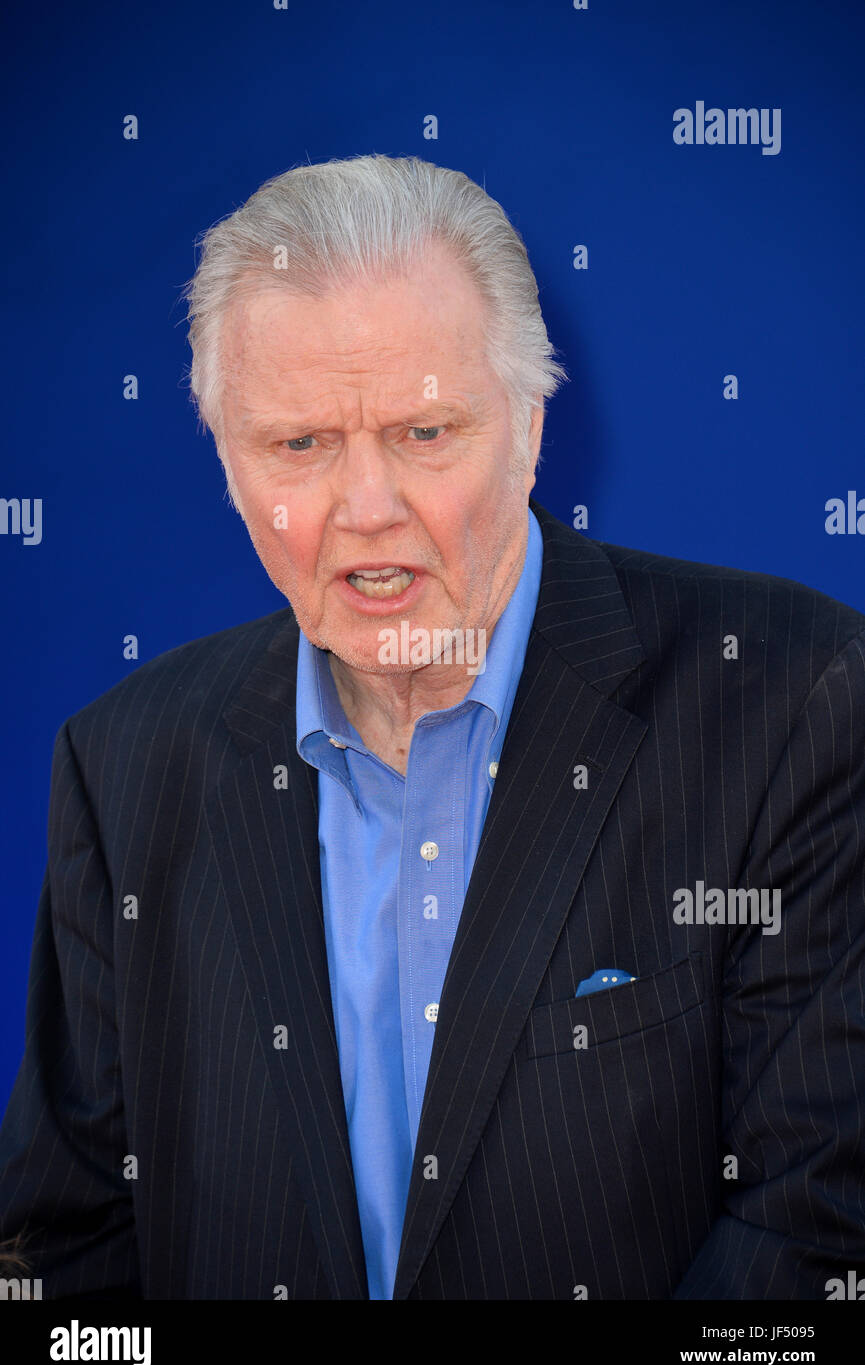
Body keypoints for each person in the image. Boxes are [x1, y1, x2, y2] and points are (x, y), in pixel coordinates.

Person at [0, 154, 863, 1300]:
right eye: (298, 445)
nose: (365, 510)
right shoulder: (120, 763)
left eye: (422, 432)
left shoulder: (788, 698)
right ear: (225, 459)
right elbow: (71, 1251)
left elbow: (810, 1234)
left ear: (529, 428)